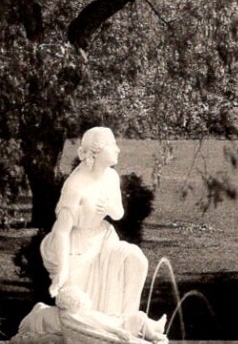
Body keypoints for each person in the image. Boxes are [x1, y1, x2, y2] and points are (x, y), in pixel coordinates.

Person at [39, 127, 153, 328]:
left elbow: (118, 213)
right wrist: (63, 270)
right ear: (97, 152)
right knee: (79, 307)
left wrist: (110, 208)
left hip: (104, 239)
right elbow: (62, 231)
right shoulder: (76, 187)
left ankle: (129, 322)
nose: (118, 149)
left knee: (137, 259)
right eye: (112, 145)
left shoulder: (111, 177)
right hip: (78, 247)